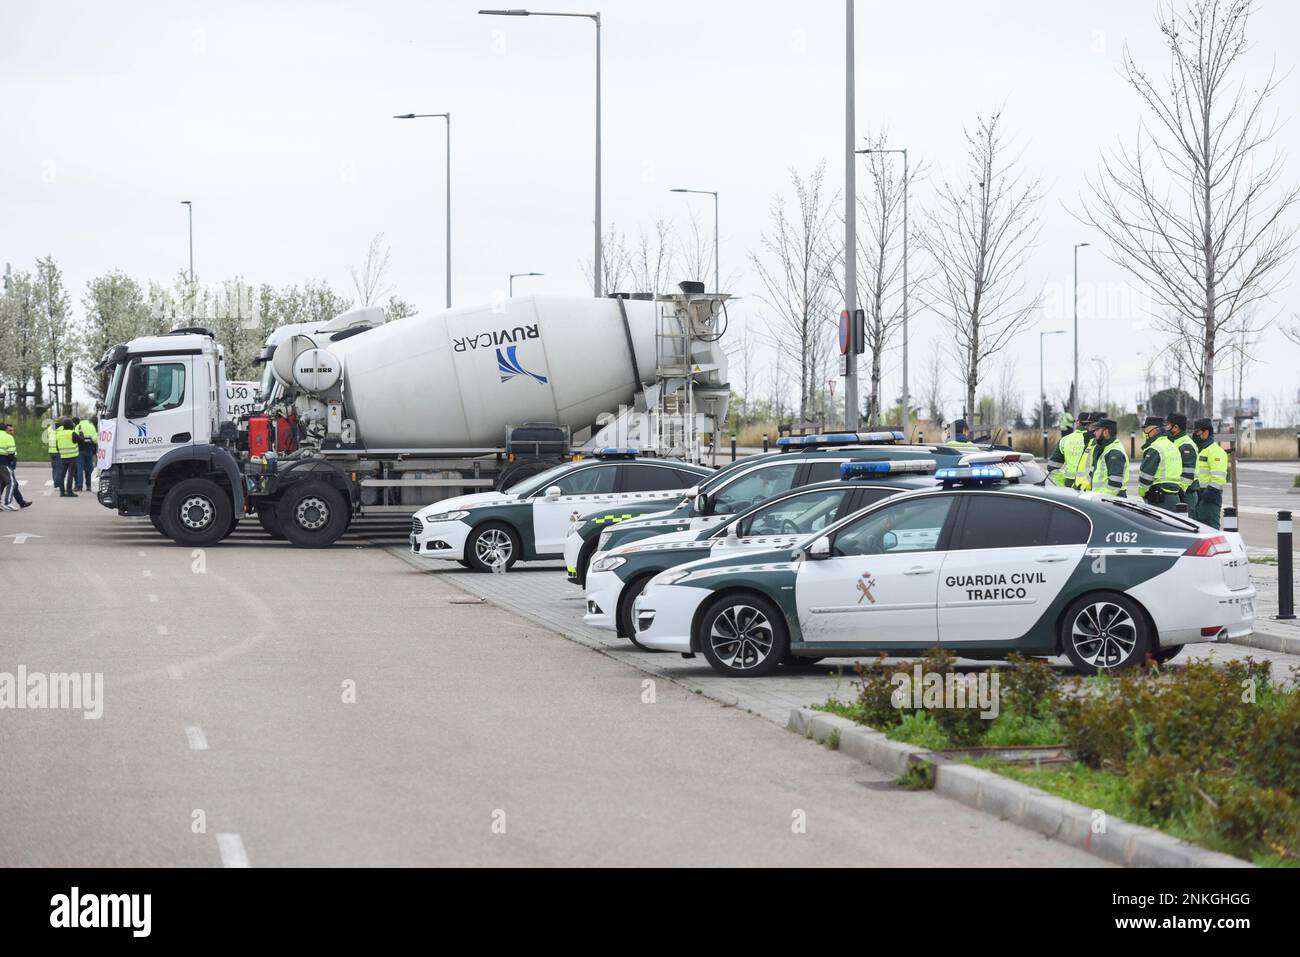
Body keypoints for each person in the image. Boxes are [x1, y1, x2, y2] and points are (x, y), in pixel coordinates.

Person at [1137, 415, 1181, 509]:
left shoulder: (1155, 448)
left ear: (1154, 430)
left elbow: (1145, 478)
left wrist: (1142, 493)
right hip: (1175, 498)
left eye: (1145, 428)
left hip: (1159, 501)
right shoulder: (1172, 446)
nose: (1144, 432)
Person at [1193, 417, 1229, 529]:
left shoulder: (1215, 451)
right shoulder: (1200, 450)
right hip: (1199, 496)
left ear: (1206, 432)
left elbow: (1218, 479)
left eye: (1197, 431)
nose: (1195, 434)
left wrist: (1206, 495)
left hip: (1210, 497)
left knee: (1211, 529)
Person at [1082, 418, 1129, 496]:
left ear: (1106, 432)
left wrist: (1101, 499)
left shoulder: (1114, 452)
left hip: (1110, 500)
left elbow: (1114, 485)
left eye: (1097, 430)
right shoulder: (1105, 448)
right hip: (1102, 498)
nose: (1094, 433)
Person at [1165, 412, 1199, 518]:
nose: (1165, 427)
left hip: (1186, 494)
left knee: (1186, 526)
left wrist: (1180, 493)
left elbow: (1187, 473)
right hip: (1180, 492)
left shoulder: (1185, 444)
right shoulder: (1174, 441)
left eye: (1168, 425)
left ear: (1175, 427)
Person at [1048, 411, 1092, 487]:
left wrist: (1063, 482)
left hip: (1070, 483)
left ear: (1078, 422)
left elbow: (1052, 467)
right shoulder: (1097, 441)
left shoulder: (1064, 440)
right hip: (1091, 485)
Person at [0, 423, 29, 510]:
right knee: (12, 482)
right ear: (5, 429)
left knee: (2, 482)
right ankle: (7, 503)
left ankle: (21, 502)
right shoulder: (8, 437)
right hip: (4, 463)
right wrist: (11, 461)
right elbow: (11, 452)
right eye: (9, 430)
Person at [55, 418, 79, 497]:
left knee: (62, 475)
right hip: (72, 457)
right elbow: (81, 440)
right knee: (70, 475)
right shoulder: (72, 433)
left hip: (63, 457)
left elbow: (57, 447)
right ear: (71, 425)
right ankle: (69, 492)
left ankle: (62, 492)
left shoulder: (59, 434)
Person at [74, 415, 98, 491]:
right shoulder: (91, 426)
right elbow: (95, 439)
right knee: (89, 469)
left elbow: (75, 438)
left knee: (80, 469)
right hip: (89, 450)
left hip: (80, 450)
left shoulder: (78, 426)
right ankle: (89, 486)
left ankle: (79, 486)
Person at [43, 419, 59, 484]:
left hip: (51, 451)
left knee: (54, 467)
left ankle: (55, 481)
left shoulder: (49, 428)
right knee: (58, 467)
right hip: (58, 451)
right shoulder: (60, 429)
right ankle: (57, 482)